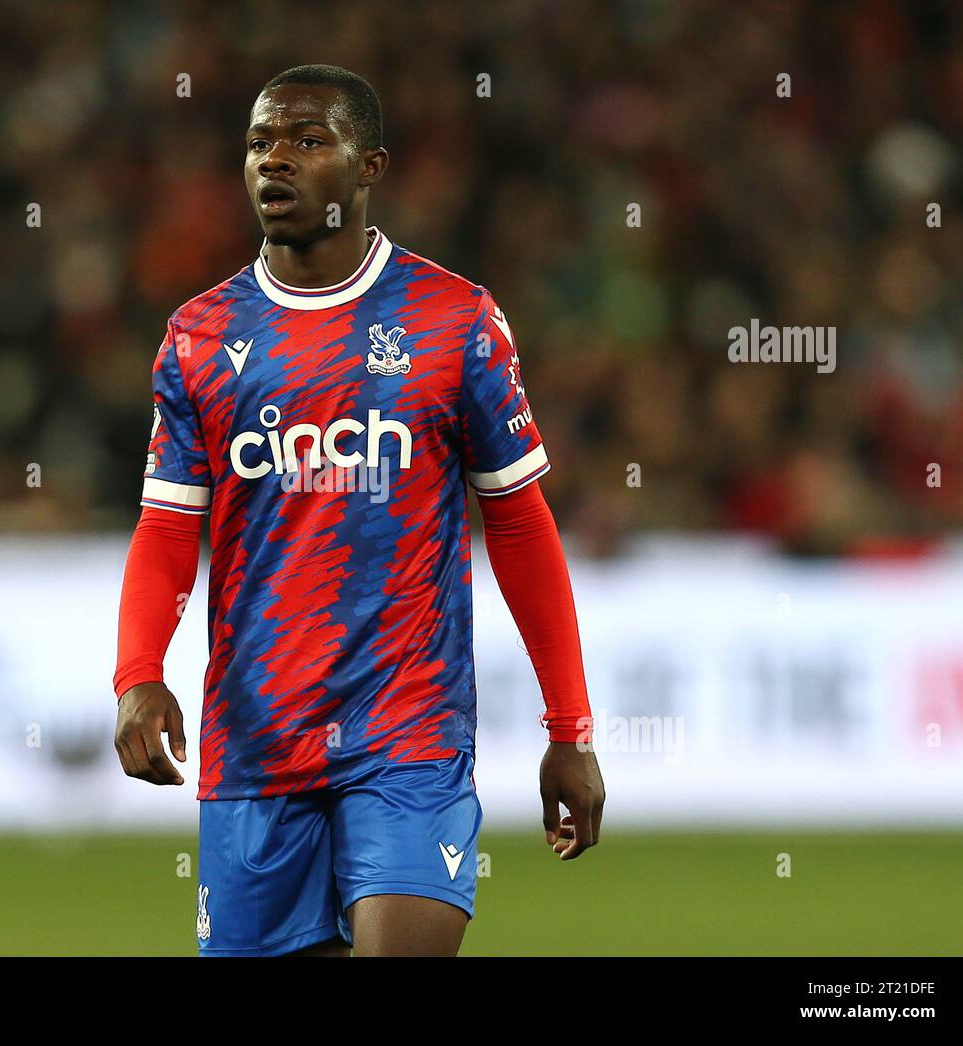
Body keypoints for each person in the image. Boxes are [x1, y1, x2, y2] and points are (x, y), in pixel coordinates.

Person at [113, 64, 604, 957]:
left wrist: (568, 727)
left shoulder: (454, 321)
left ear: (369, 165)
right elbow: (167, 528)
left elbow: (522, 525)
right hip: (257, 739)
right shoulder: (200, 336)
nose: (275, 161)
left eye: (308, 140)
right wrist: (138, 673)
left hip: (407, 735)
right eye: (261, 141)